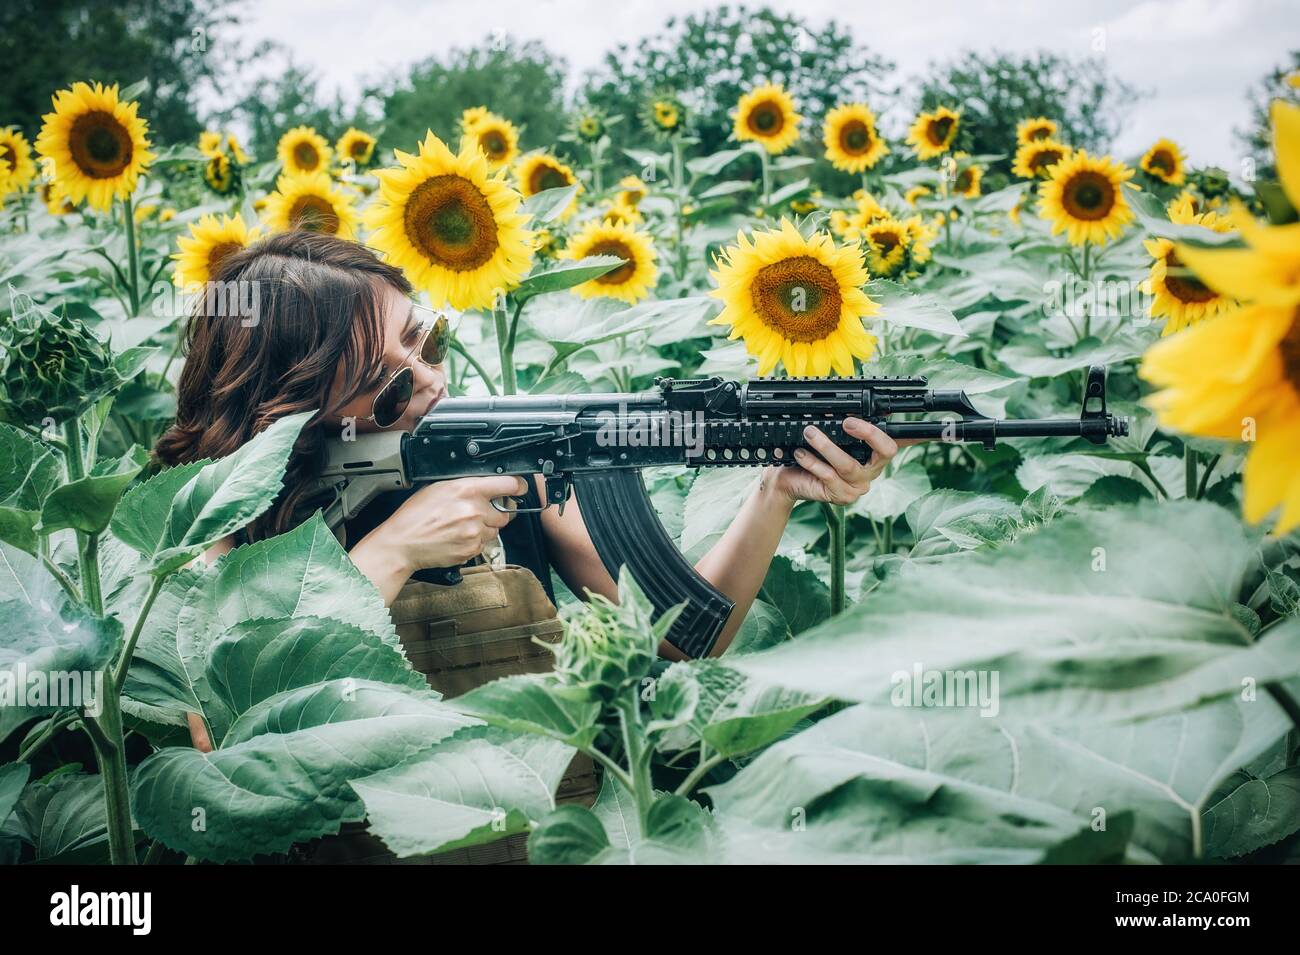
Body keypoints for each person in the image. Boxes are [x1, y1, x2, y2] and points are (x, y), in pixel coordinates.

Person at [157, 231, 908, 751]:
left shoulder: (511, 457)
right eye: (387, 388)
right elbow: (224, 732)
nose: (431, 382)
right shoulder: (212, 520)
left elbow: (684, 639)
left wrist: (775, 490)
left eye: (427, 341)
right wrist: (393, 552)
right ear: (292, 415)